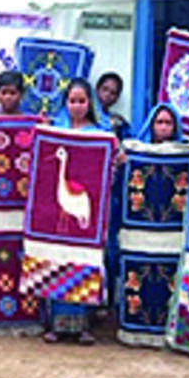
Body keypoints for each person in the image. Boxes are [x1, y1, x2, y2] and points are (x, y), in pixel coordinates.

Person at [44, 78, 113, 346]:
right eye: (72, 101)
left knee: (84, 261)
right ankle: (55, 324)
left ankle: (84, 325)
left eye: (82, 101)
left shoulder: (99, 134)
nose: (77, 106)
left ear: (90, 103)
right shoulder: (55, 131)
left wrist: (115, 157)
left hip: (87, 209)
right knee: (57, 261)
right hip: (56, 210)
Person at [96, 72, 129, 139]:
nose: (107, 95)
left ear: (117, 98)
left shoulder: (118, 122)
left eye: (113, 93)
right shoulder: (83, 115)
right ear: (97, 89)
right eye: (105, 89)